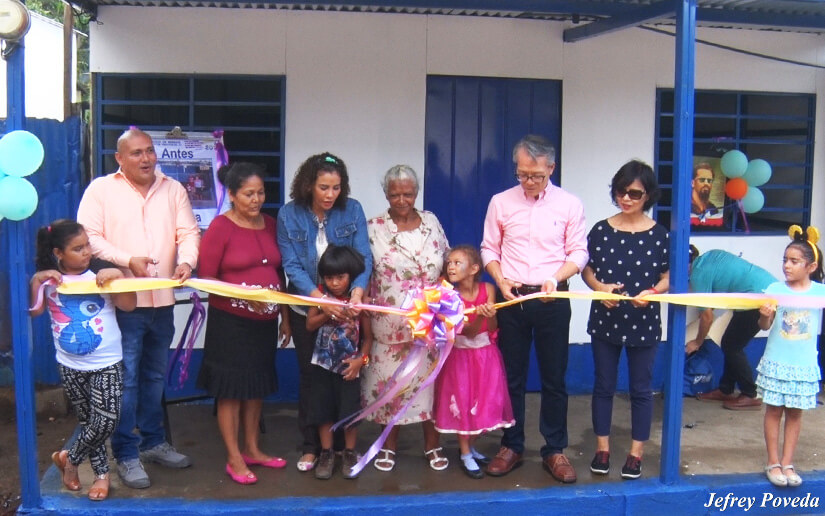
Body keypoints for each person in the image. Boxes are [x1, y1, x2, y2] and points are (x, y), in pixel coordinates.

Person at [76, 128, 200, 489]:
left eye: (150, 151)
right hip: (123, 305)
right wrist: (127, 260)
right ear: (120, 158)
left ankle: (153, 442)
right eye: (136, 153)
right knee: (126, 382)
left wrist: (187, 263)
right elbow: (89, 238)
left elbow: (189, 233)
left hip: (162, 301)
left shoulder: (173, 189)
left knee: (154, 378)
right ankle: (127, 454)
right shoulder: (101, 190)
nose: (146, 159)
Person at [480, 134, 588, 483]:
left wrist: (555, 278)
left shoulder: (569, 204)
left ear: (551, 168)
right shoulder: (501, 202)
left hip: (552, 299)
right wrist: (500, 280)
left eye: (536, 176)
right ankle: (511, 445)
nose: (528, 182)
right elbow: (488, 249)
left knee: (554, 377)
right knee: (511, 376)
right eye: (522, 174)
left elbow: (578, 253)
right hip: (512, 299)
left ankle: (554, 449)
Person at [196, 162, 292, 485]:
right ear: (233, 195)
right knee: (232, 391)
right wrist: (243, 295)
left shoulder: (269, 224)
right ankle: (234, 456)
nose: (256, 199)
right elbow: (206, 279)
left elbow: (279, 275)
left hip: (264, 324)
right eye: (248, 194)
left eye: (261, 192)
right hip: (231, 324)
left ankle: (253, 448)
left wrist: (284, 316)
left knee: (256, 388)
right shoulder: (220, 228)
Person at [277, 152, 372, 472]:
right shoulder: (288, 214)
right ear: (308, 186)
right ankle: (312, 447)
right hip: (308, 309)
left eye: (336, 187)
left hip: (348, 310)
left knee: (345, 379)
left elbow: (364, 257)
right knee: (312, 381)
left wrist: (356, 294)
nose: (330, 194)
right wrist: (322, 299)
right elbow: (291, 265)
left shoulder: (353, 209)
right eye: (323, 187)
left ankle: (345, 449)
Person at [30, 220, 137, 501]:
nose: (86, 252)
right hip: (70, 365)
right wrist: (36, 281)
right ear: (59, 253)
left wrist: (118, 277)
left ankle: (70, 459)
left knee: (106, 420)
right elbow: (34, 311)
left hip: (108, 361)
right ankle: (102, 476)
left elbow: (129, 305)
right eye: (78, 248)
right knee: (89, 419)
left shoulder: (101, 275)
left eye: (87, 245)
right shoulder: (51, 282)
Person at [581, 160, 669, 480]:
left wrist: (654, 291)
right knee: (603, 385)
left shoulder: (660, 234)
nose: (627, 199)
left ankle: (635, 453)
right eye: (621, 192)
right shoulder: (601, 230)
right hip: (605, 318)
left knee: (641, 389)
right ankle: (602, 447)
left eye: (634, 193)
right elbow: (585, 267)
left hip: (644, 321)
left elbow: (670, 274)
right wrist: (598, 287)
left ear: (648, 196)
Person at [361, 164, 450, 473]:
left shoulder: (432, 222)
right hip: (390, 324)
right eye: (395, 194)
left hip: (430, 323)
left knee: (429, 385)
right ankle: (388, 444)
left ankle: (432, 443)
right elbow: (364, 272)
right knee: (392, 387)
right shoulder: (373, 227)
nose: (401, 200)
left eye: (408, 194)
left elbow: (446, 262)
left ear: (417, 193)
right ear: (386, 194)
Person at [433, 245, 513, 479]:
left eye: (457, 262)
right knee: (463, 402)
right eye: (449, 263)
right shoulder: (450, 296)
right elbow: (467, 333)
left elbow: (493, 327)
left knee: (485, 400)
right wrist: (479, 315)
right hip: (461, 357)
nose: (451, 266)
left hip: (486, 354)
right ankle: (466, 452)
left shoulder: (488, 288)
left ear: (474, 268)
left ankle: (471, 445)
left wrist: (489, 314)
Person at [756, 226, 824, 488]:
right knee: (773, 411)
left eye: (794, 261)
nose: (787, 266)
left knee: (795, 414)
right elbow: (764, 325)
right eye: (785, 260)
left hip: (803, 365)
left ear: (811, 266)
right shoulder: (774, 288)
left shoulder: (820, 292)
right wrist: (764, 313)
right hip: (777, 362)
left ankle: (788, 462)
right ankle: (773, 462)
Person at [305, 245, 373, 480]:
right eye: (329, 277)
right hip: (322, 365)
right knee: (324, 412)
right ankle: (326, 453)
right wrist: (329, 311)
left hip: (349, 368)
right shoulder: (320, 297)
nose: (334, 283)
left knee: (349, 413)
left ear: (351, 276)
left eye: (340, 277)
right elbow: (310, 325)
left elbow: (368, 338)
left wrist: (360, 361)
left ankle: (350, 453)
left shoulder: (359, 302)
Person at [688, 246, 776, 410]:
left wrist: (697, 342)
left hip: (757, 298)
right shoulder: (711, 256)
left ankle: (750, 393)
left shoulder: (697, 275)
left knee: (732, 346)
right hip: (767, 288)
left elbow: (707, 317)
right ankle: (725, 389)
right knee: (731, 344)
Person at [690, 163, 722, 227]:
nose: (706, 183)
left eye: (709, 181)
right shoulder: (686, 206)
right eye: (702, 180)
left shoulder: (713, 209)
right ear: (692, 183)